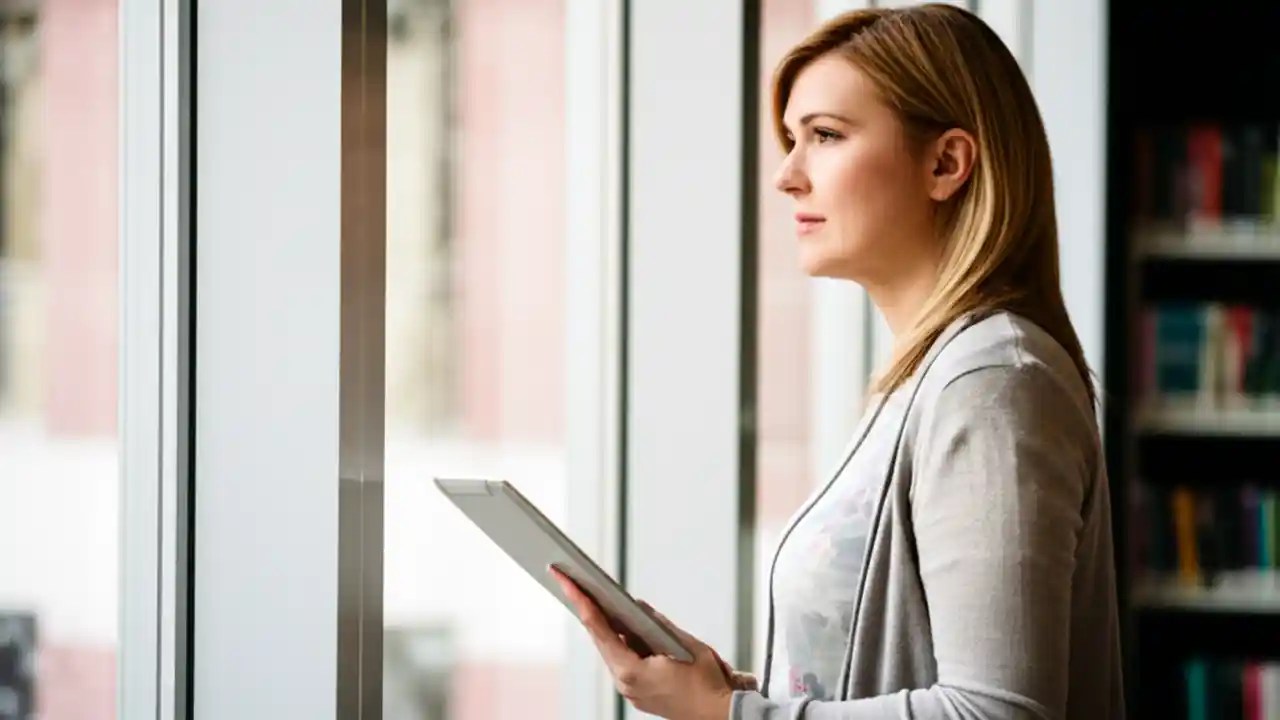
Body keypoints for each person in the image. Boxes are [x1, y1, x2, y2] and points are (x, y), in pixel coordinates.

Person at [549, 4, 1125, 718]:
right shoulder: (932, 376)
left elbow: (994, 712)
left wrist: (724, 714)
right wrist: (730, 692)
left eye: (825, 135)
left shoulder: (992, 383)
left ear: (946, 164)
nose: (787, 176)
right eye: (792, 140)